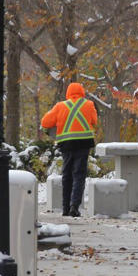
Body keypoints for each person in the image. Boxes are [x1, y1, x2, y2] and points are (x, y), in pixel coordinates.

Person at [41, 82, 98, 217]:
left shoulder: (60, 106)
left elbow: (45, 122)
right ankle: (74, 206)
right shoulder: (89, 104)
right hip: (83, 143)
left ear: (68, 93)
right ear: (82, 92)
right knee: (79, 175)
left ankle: (65, 208)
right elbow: (94, 120)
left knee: (67, 175)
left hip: (66, 144)